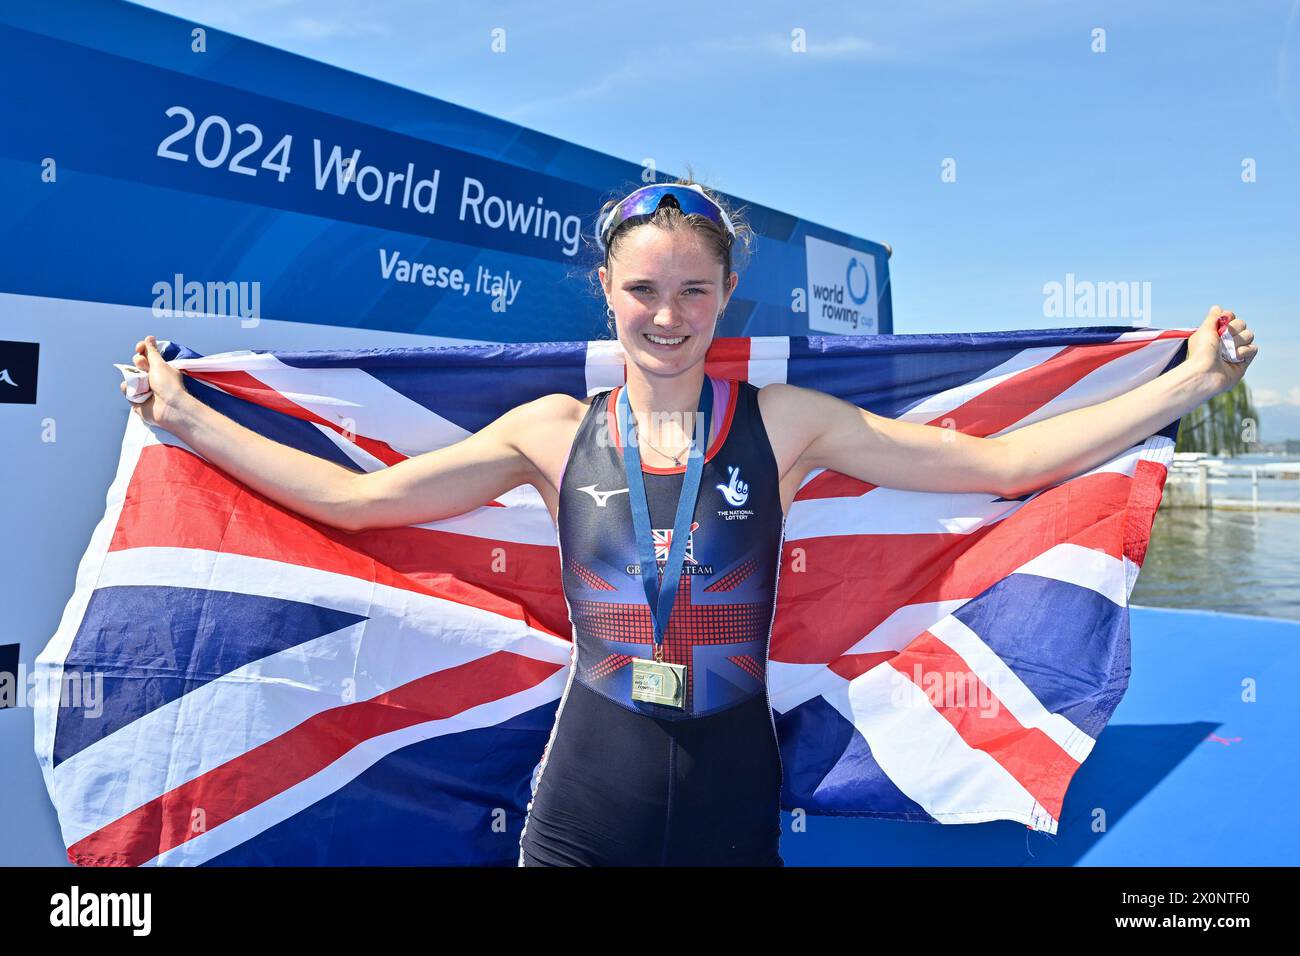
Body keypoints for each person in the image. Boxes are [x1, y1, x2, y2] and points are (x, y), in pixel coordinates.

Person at [121, 179, 1257, 867]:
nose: (666, 315)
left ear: (725, 301)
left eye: (693, 291)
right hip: (584, 796)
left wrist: (1188, 385)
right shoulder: (549, 429)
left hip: (728, 792)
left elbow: (1000, 462)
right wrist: (186, 419)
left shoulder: (787, 420)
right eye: (643, 291)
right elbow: (355, 500)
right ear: (605, 295)